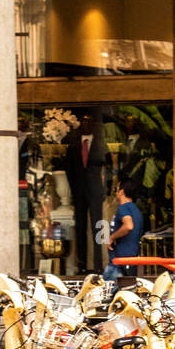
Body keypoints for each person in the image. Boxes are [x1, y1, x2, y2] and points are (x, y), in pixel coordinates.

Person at [64, 112, 108, 274]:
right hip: (79, 191)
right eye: (83, 122)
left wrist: (104, 190)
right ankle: (81, 264)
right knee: (80, 227)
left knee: (97, 226)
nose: (86, 125)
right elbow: (68, 169)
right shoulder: (74, 145)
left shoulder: (100, 145)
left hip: (96, 191)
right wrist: (74, 189)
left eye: (89, 122)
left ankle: (98, 264)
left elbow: (107, 168)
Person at [103, 178, 143, 283]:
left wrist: (112, 237)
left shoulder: (123, 208)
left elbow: (128, 226)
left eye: (116, 190)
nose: (116, 193)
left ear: (122, 192)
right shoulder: (135, 209)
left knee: (106, 296)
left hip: (119, 262)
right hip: (130, 261)